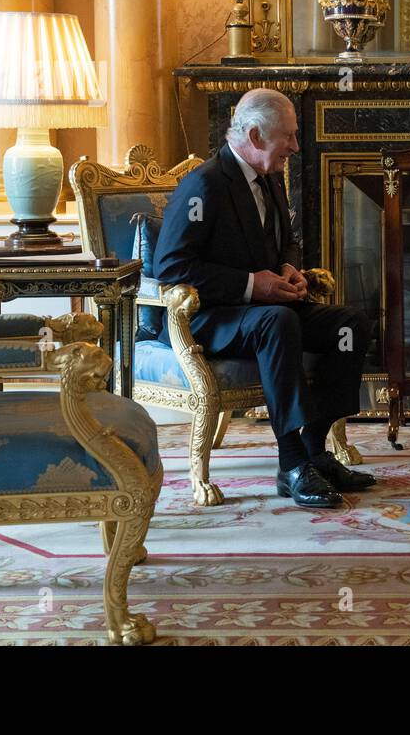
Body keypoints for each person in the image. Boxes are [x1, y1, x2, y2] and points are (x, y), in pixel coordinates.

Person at [153, 89, 375, 508]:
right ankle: (291, 464)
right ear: (255, 136)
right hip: (213, 318)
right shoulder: (204, 185)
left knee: (350, 326)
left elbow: (286, 241)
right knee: (279, 321)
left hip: (266, 311)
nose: (294, 146)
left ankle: (314, 450)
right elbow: (171, 267)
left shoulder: (270, 176)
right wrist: (253, 285)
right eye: (287, 137)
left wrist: (289, 269)